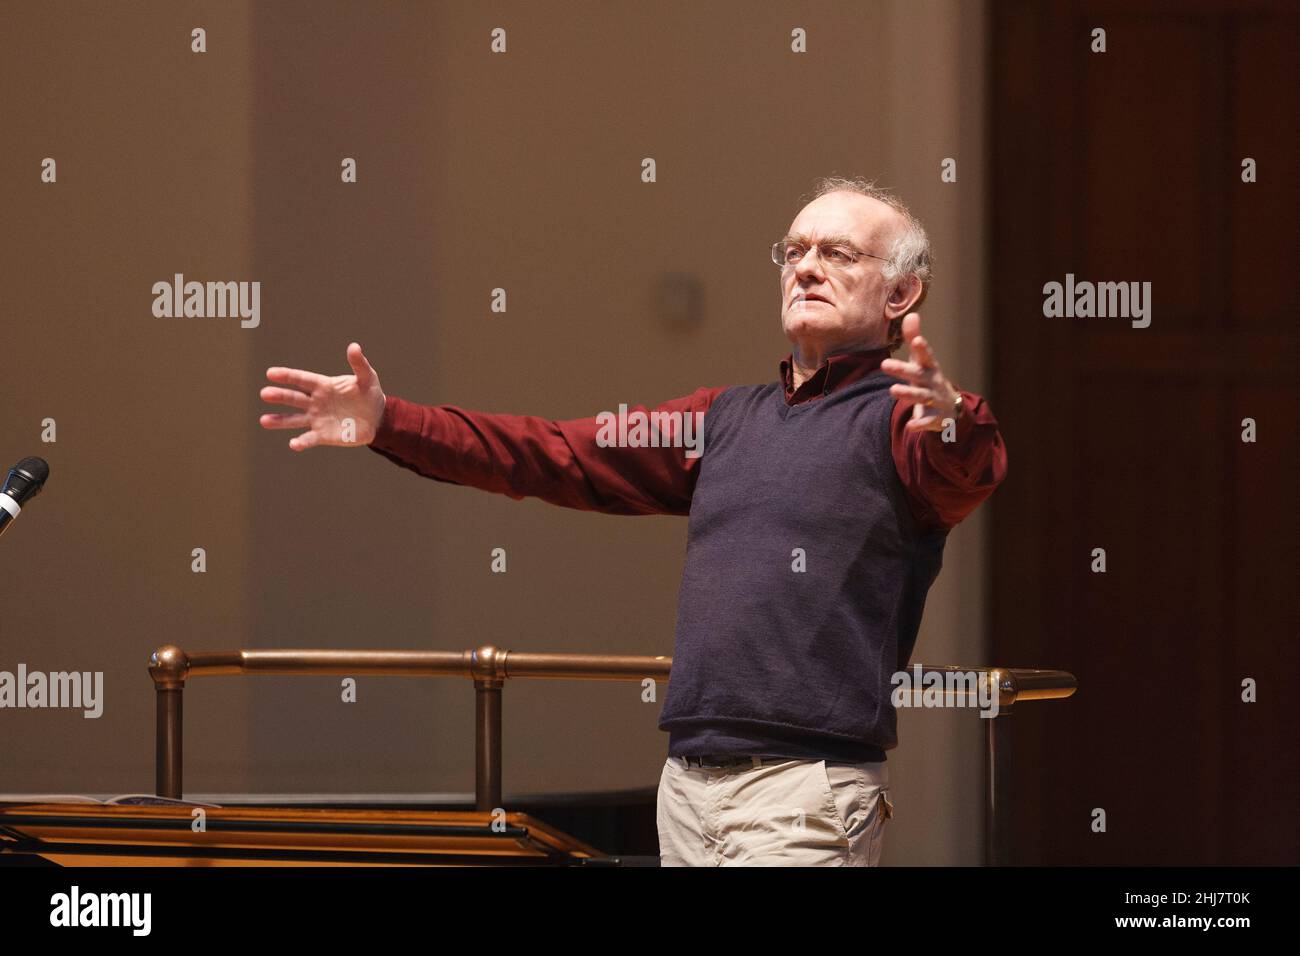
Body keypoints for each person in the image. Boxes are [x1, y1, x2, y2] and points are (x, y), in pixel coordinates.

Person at [258, 176, 1008, 866]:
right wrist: (390, 422)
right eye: (794, 249)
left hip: (805, 790)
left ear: (902, 292)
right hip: (685, 784)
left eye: (838, 253)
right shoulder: (723, 419)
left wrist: (952, 420)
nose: (805, 267)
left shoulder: (906, 421)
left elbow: (964, 469)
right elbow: (551, 454)